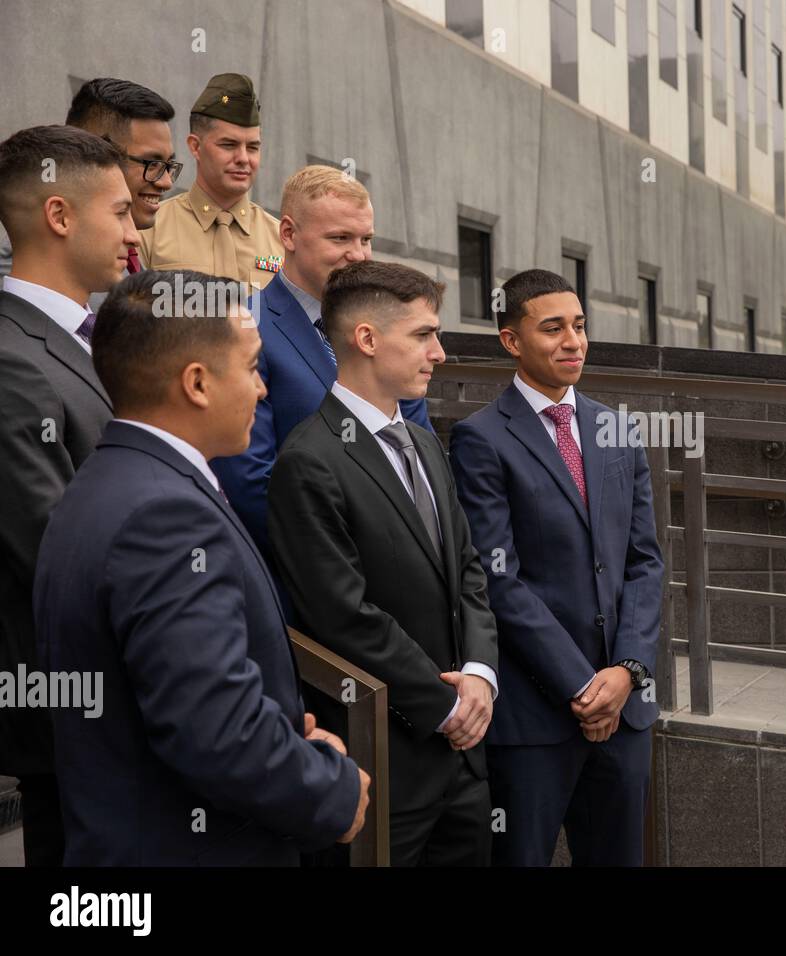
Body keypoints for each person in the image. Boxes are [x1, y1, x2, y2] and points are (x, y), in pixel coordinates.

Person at [33, 269, 368, 865]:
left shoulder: (110, 481)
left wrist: (285, 731)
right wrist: (332, 789)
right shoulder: (164, 515)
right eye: (251, 367)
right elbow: (214, 729)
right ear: (197, 383)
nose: (262, 390)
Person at [268, 260, 498, 866]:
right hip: (383, 757)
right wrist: (444, 707)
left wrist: (478, 673)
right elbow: (343, 614)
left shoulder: (423, 440)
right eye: (423, 335)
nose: (440, 353)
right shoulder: (309, 461)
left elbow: (468, 569)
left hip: (465, 759)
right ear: (367, 339)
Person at [449, 268, 663, 867]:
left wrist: (625, 671)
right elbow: (498, 579)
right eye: (553, 328)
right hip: (536, 716)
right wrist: (581, 685)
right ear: (512, 340)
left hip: (625, 710)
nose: (573, 341)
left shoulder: (617, 429)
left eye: (580, 325)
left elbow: (645, 561)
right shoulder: (481, 439)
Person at [0, 125, 137, 866]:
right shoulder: (11, 359)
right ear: (59, 216)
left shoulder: (90, 338)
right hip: (80, 709)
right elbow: (57, 552)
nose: (134, 228)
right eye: (118, 211)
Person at [211, 165, 431, 556]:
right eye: (340, 238)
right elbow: (251, 483)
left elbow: (422, 456)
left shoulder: (391, 328)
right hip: (313, 584)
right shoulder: (244, 330)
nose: (359, 256)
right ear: (289, 234)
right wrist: (345, 565)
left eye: (366, 239)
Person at [136, 73, 282, 289]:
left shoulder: (281, 241)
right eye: (228, 145)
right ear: (195, 146)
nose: (243, 158)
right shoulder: (150, 231)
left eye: (253, 147)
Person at [66, 77, 180, 249]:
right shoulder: (37, 267)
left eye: (169, 165)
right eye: (152, 163)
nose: (166, 182)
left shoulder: (126, 256)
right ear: (95, 157)